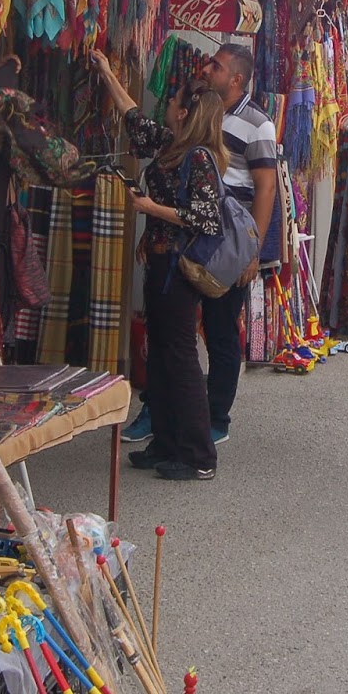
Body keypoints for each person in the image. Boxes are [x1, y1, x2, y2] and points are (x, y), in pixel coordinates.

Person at [89, 49, 226, 482]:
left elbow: (207, 218)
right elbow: (132, 115)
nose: (164, 105)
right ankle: (166, 442)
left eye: (171, 102)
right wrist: (108, 73)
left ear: (184, 113)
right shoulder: (170, 146)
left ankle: (199, 454)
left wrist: (151, 207)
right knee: (164, 357)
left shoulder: (199, 158)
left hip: (180, 272)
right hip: (160, 265)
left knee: (181, 358)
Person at [199, 42, 279, 444]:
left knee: (221, 329)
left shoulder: (257, 123)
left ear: (236, 79)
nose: (207, 69)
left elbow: (266, 189)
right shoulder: (207, 111)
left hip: (230, 241)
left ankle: (217, 418)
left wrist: (253, 250)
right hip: (197, 234)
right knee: (180, 327)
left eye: (216, 65)